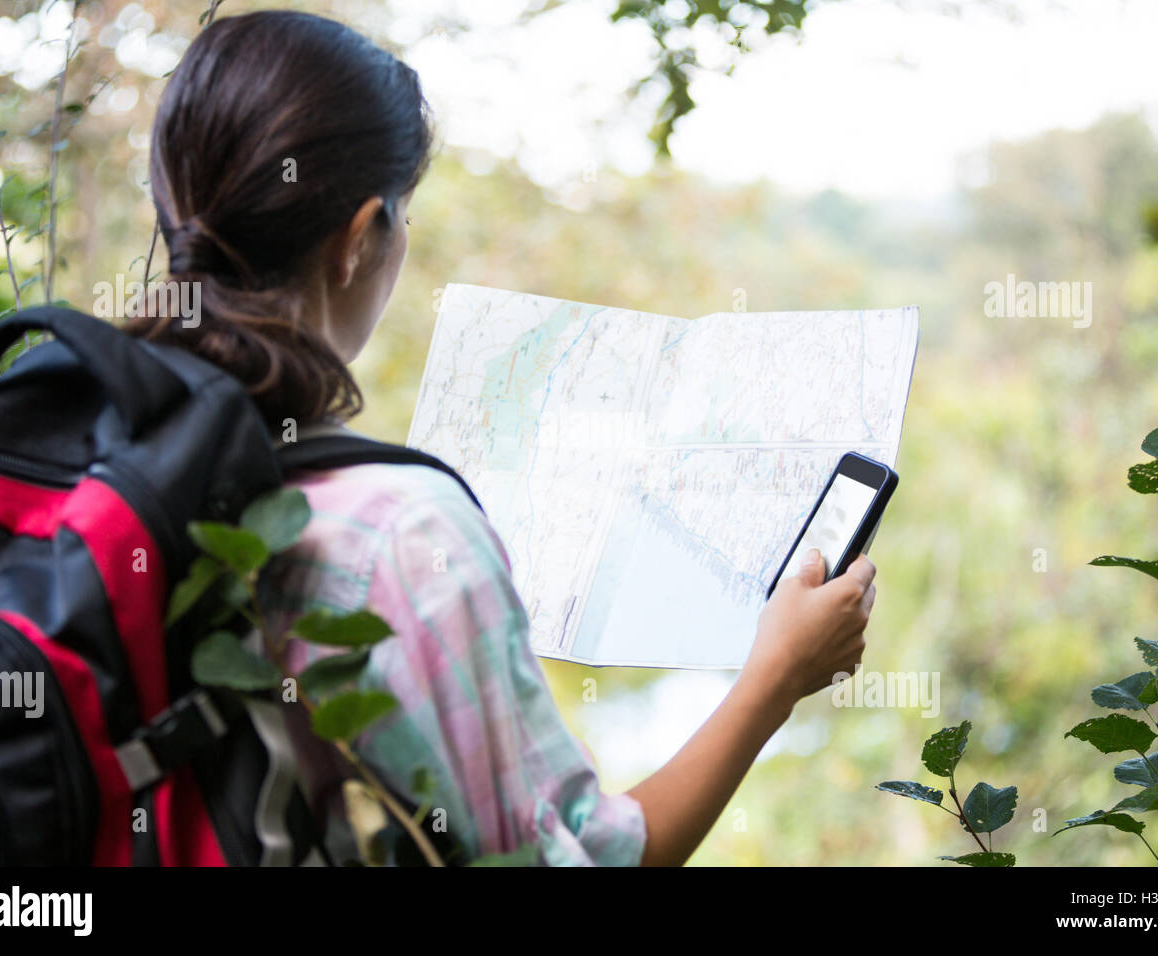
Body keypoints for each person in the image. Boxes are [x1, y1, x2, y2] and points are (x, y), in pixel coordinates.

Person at [124, 9, 877, 867]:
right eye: (402, 213)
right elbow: (584, 862)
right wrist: (774, 679)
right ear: (358, 237)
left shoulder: (98, 441)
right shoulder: (402, 534)